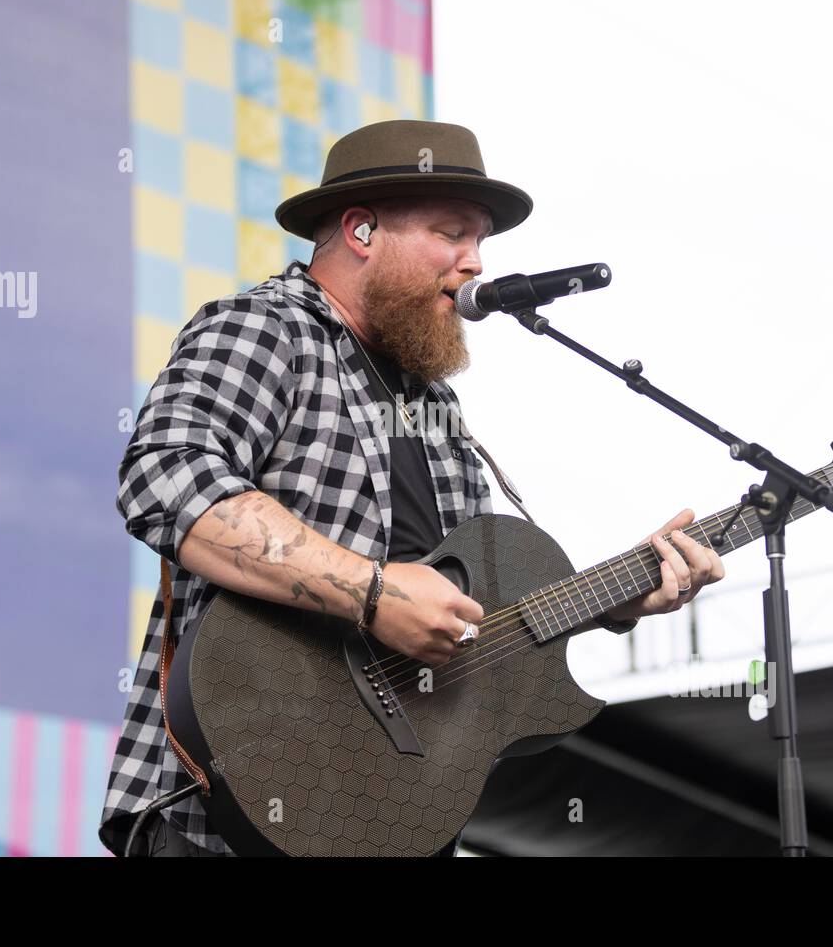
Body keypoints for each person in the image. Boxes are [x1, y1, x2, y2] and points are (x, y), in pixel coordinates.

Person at [97, 119, 725, 857]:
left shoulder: (439, 413)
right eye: (452, 234)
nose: (475, 265)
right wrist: (372, 593)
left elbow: (469, 629)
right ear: (361, 229)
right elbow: (167, 475)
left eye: (483, 243)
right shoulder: (267, 329)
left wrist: (611, 601)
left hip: (392, 823)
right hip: (228, 816)